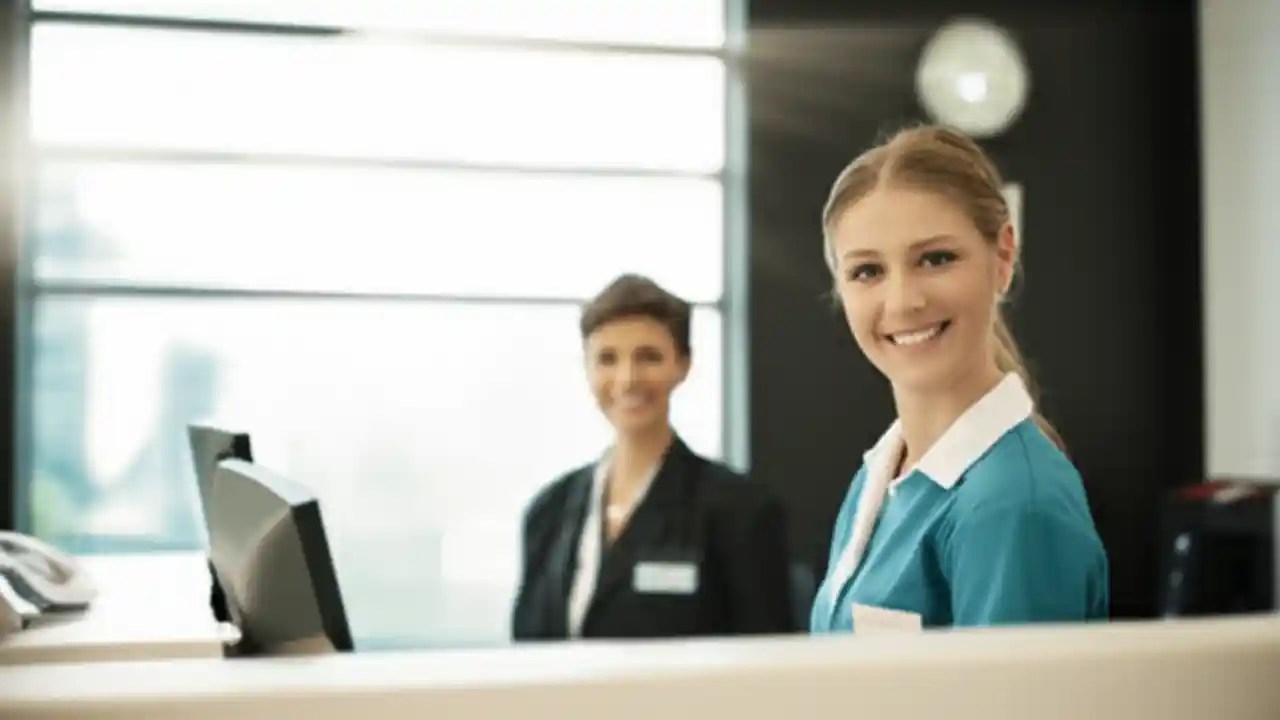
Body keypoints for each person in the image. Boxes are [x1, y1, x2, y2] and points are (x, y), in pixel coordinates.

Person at [809, 125, 1108, 633]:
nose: (903, 301)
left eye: (936, 259)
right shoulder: (878, 478)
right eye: (867, 272)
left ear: (1003, 257)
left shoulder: (1014, 505)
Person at [513, 274, 794, 640]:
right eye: (607, 359)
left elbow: (768, 664)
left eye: (648, 357)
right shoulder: (547, 512)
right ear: (587, 368)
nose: (627, 378)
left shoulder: (741, 510)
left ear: (683, 364)